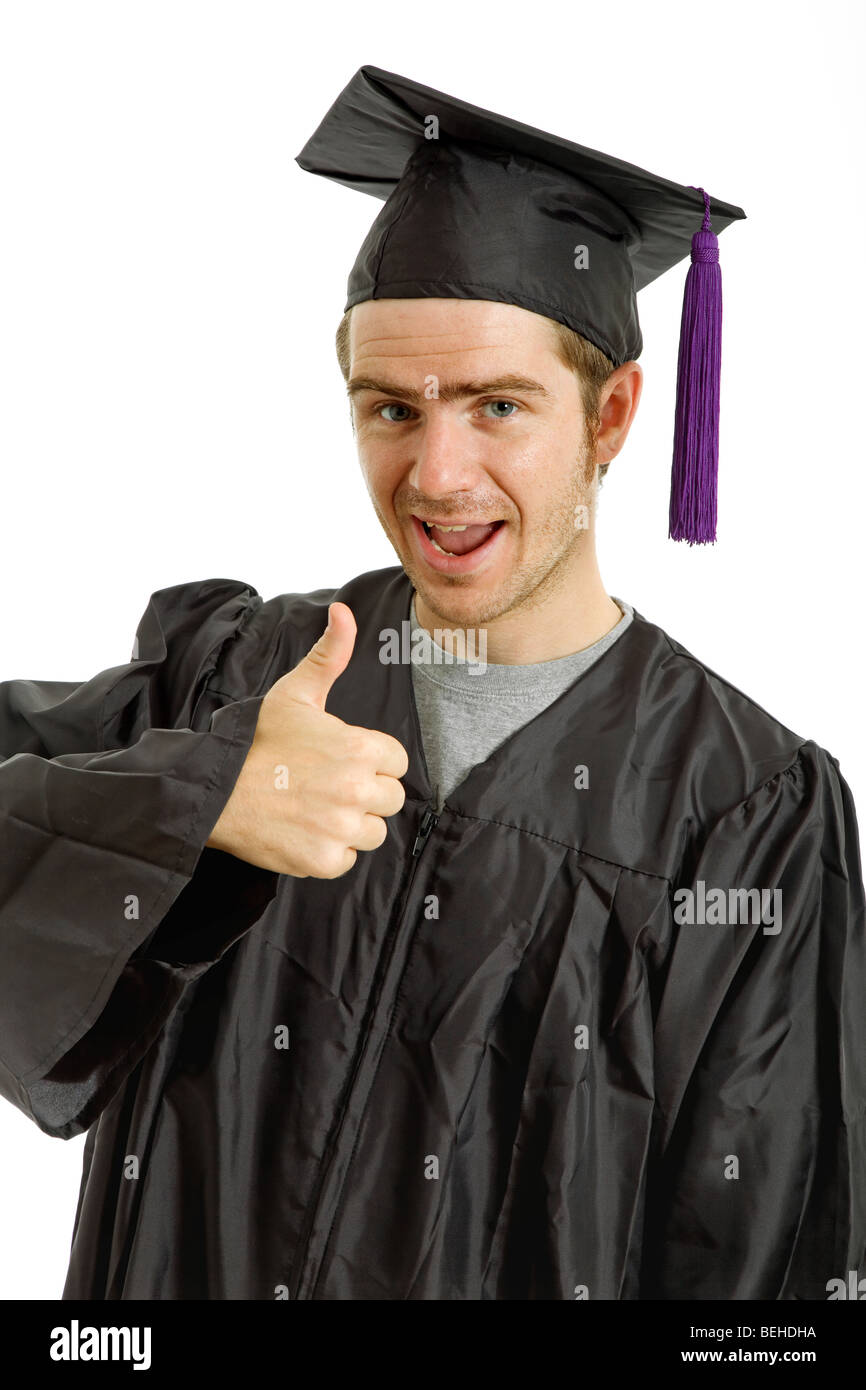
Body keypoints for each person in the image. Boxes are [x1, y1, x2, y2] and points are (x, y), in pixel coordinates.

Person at [1, 65, 863, 1301]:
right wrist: (193, 802)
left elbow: (766, 1273)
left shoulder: (741, 819)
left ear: (612, 413)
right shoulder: (241, 678)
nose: (436, 474)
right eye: (390, 408)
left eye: (496, 406)